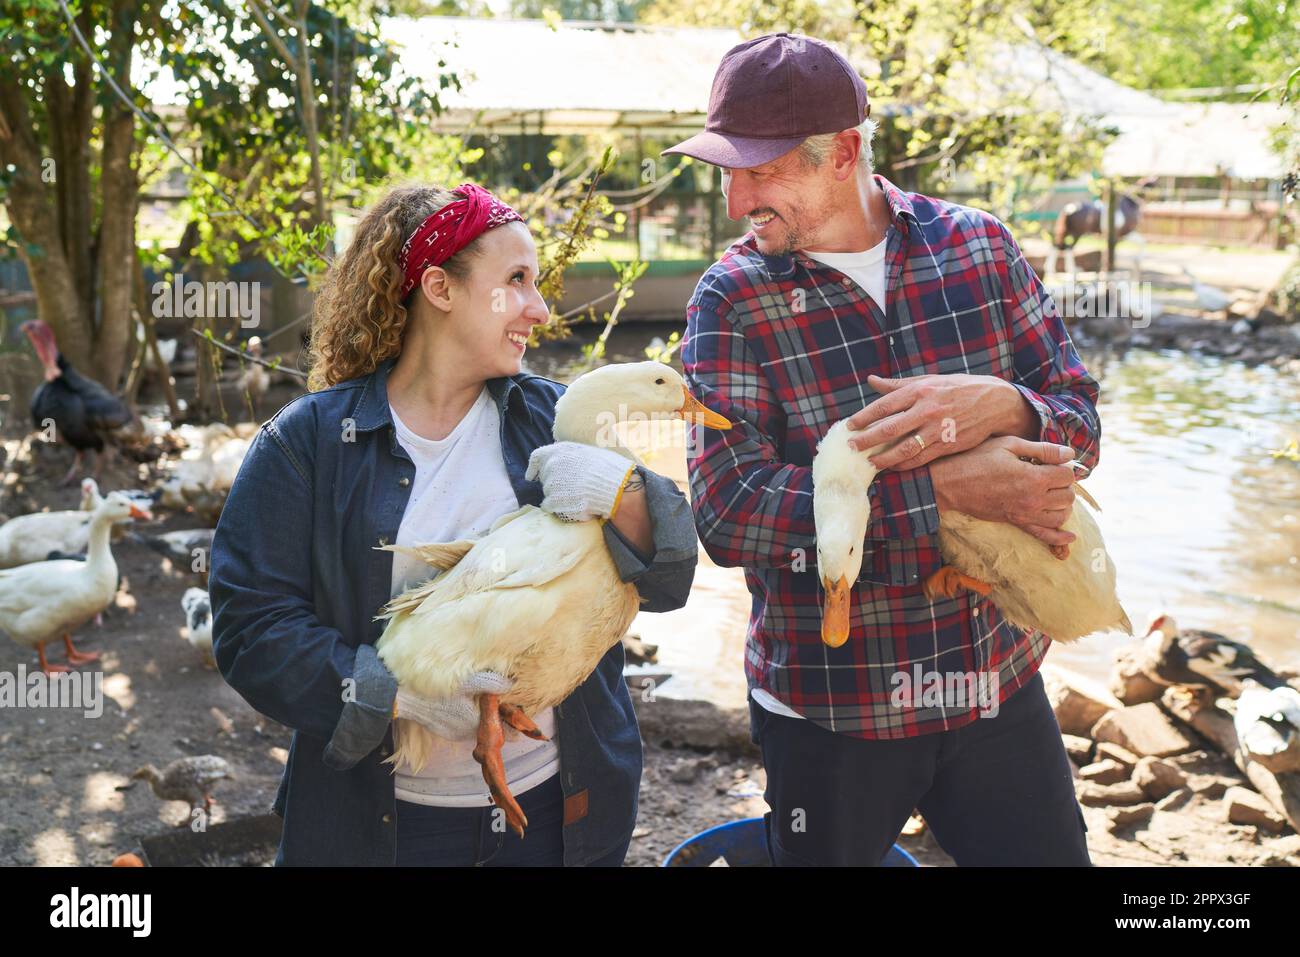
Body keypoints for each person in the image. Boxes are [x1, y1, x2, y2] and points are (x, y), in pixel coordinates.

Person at [666, 33, 1098, 866]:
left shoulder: (980, 247)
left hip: (996, 687)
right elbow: (727, 511)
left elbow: (1081, 420)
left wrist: (1008, 405)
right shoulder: (731, 298)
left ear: (847, 153)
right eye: (729, 168)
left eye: (760, 170)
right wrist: (943, 494)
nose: (734, 199)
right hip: (830, 709)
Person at [210, 182, 697, 866]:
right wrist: (395, 693)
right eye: (517, 281)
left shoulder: (555, 419)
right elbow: (250, 627)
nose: (540, 307)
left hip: (559, 811)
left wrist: (619, 491)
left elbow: (673, 578)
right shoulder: (308, 443)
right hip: (379, 829)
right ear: (439, 287)